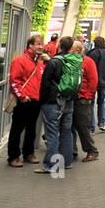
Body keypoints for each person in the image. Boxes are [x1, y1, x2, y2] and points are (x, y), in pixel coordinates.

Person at [35, 35, 81, 173]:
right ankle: (67, 162)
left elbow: (45, 84)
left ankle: (51, 165)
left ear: (60, 45)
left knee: (52, 133)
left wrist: (42, 102)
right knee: (66, 131)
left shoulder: (54, 62)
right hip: (68, 101)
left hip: (53, 102)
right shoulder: (74, 61)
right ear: (71, 47)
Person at [7, 34, 46, 167]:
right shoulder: (20, 60)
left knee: (31, 129)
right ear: (30, 45)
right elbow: (14, 81)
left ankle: (28, 153)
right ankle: (13, 156)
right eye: (38, 44)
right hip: (24, 101)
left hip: (36, 101)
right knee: (17, 129)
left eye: (42, 44)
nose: (41, 46)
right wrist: (22, 97)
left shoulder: (40, 62)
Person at [71, 39, 99, 162]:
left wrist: (88, 96)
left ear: (77, 50)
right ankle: (72, 150)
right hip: (72, 98)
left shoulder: (88, 62)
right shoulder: (72, 61)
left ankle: (92, 151)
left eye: (71, 49)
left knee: (82, 126)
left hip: (83, 99)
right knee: (71, 126)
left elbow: (93, 81)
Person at [89, 36, 105, 132]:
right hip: (103, 81)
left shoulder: (91, 53)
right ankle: (102, 122)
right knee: (101, 102)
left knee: (90, 104)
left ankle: (91, 126)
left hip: (92, 81)